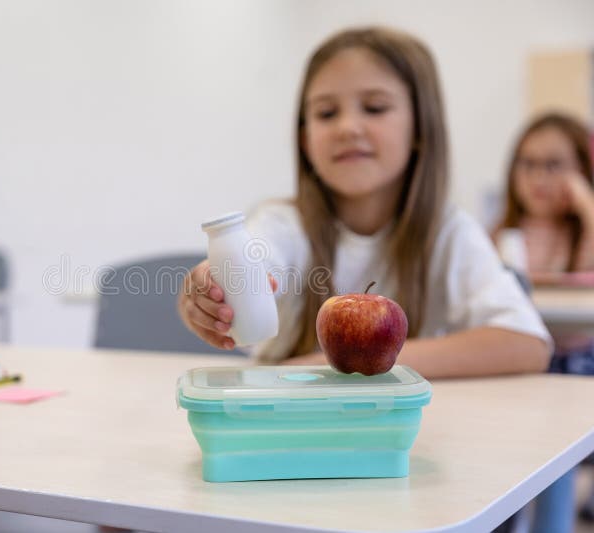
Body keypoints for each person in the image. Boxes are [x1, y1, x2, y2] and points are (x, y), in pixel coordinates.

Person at [178, 25, 552, 380]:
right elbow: (253, 264)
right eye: (326, 113)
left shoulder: (447, 232)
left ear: (421, 128)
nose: (348, 128)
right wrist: (207, 292)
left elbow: (527, 343)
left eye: (374, 108)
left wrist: (334, 364)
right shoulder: (282, 223)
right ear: (306, 140)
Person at [494, 112, 594, 529]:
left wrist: (587, 209)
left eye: (555, 165)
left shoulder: (581, 231)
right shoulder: (504, 234)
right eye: (528, 163)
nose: (538, 176)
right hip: (521, 363)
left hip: (578, 363)